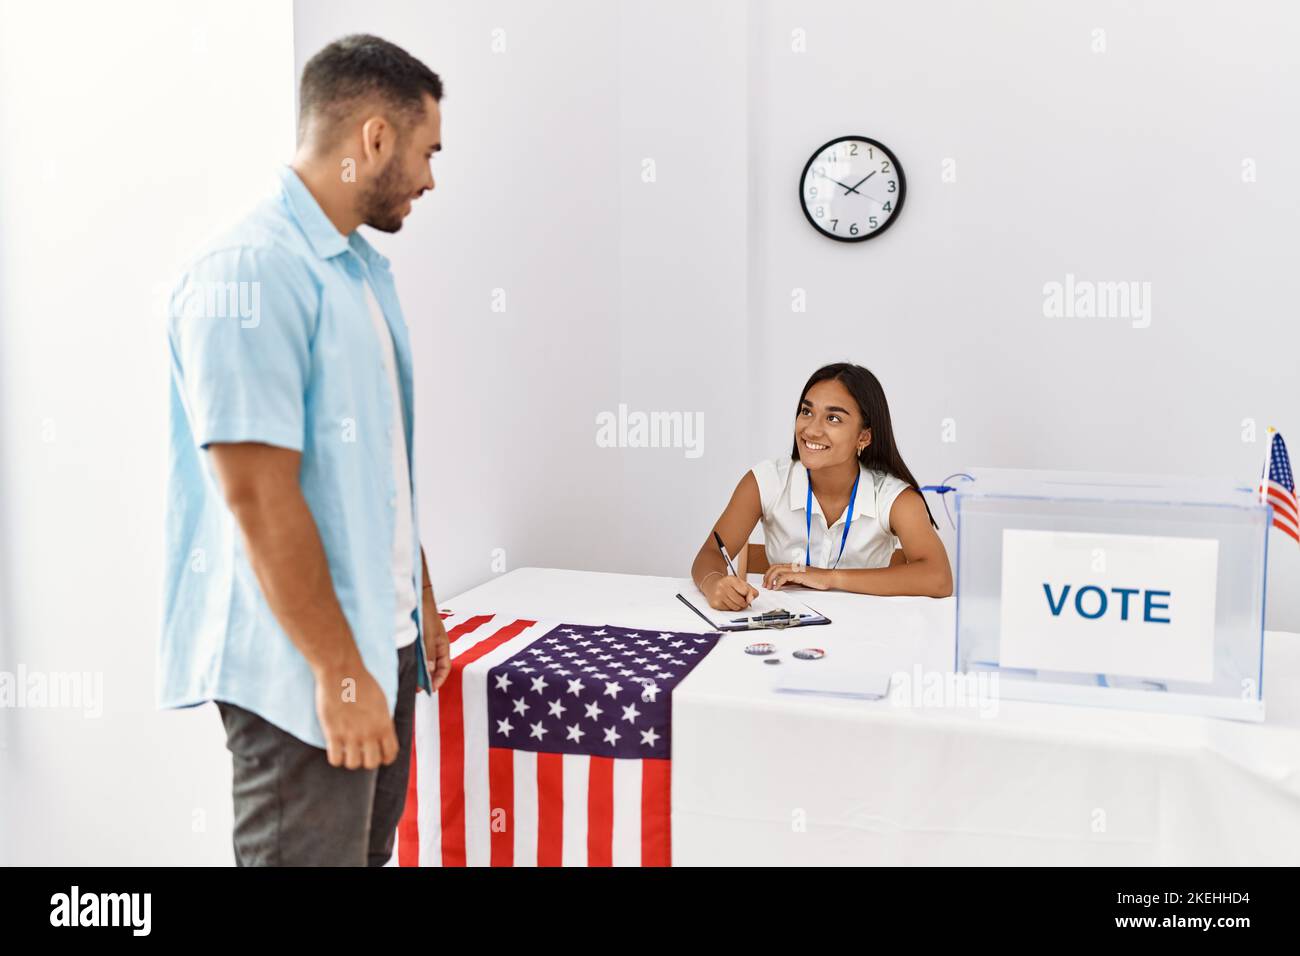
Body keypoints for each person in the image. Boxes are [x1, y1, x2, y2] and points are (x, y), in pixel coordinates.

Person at [160, 34, 450, 866]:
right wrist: (339, 673)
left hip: (380, 644)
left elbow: (375, 470)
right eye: (428, 150)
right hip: (308, 671)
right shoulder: (250, 271)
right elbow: (258, 497)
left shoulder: (357, 274)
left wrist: (417, 598)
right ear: (374, 138)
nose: (431, 178)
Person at [690, 362, 952, 609]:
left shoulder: (895, 498)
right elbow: (710, 554)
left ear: (864, 436)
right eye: (806, 412)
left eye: (833, 418)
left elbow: (939, 578)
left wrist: (829, 578)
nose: (812, 430)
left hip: (866, 637)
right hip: (784, 633)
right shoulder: (765, 481)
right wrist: (714, 584)